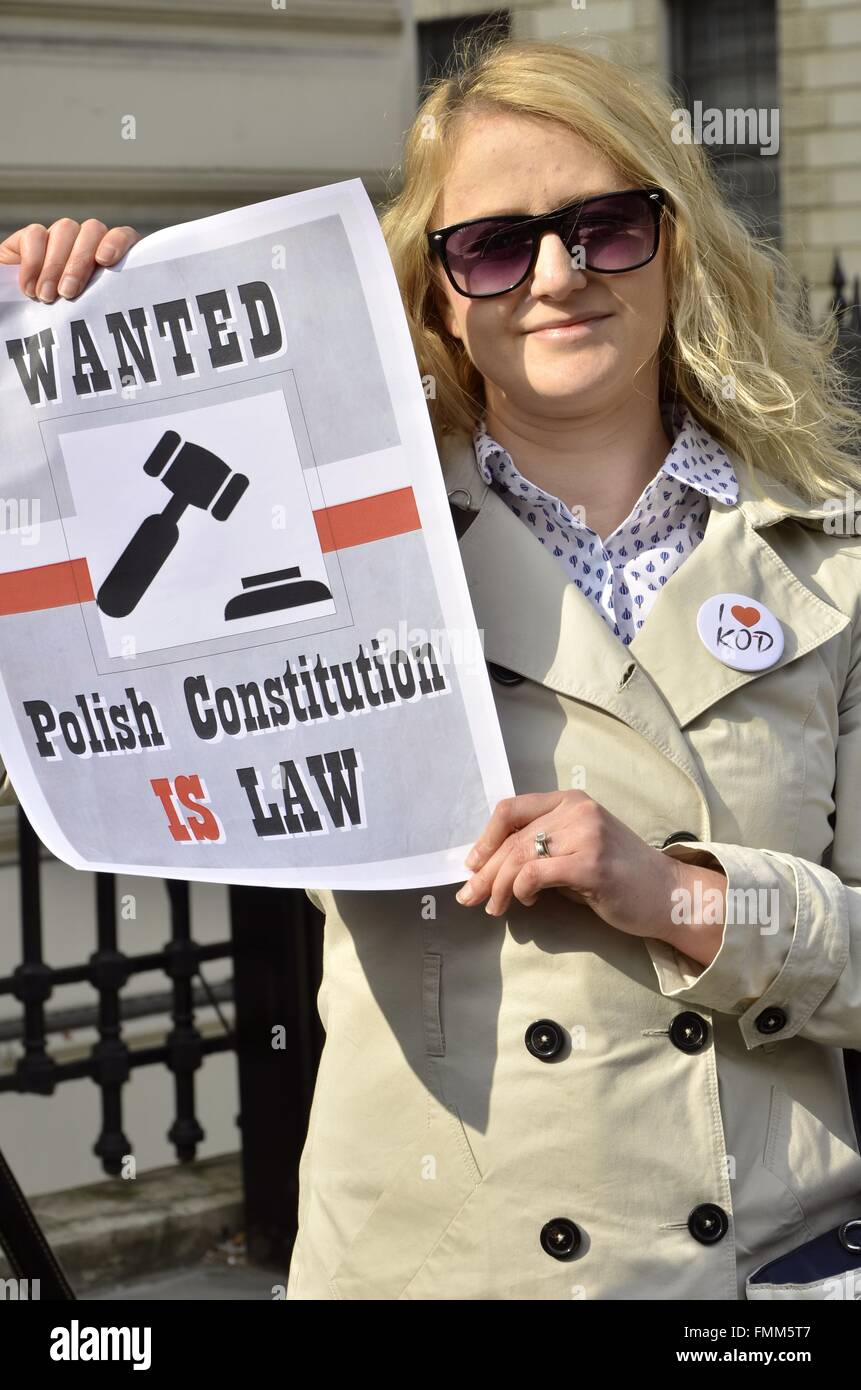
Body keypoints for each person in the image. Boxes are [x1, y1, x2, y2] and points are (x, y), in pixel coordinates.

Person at [3, 38, 861, 1301]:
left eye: (607, 225)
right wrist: (94, 354)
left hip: (759, 1277)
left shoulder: (832, 555)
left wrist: (685, 898)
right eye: (496, 246)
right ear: (434, 292)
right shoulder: (324, 549)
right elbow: (89, 737)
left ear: (676, 246)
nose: (559, 275)